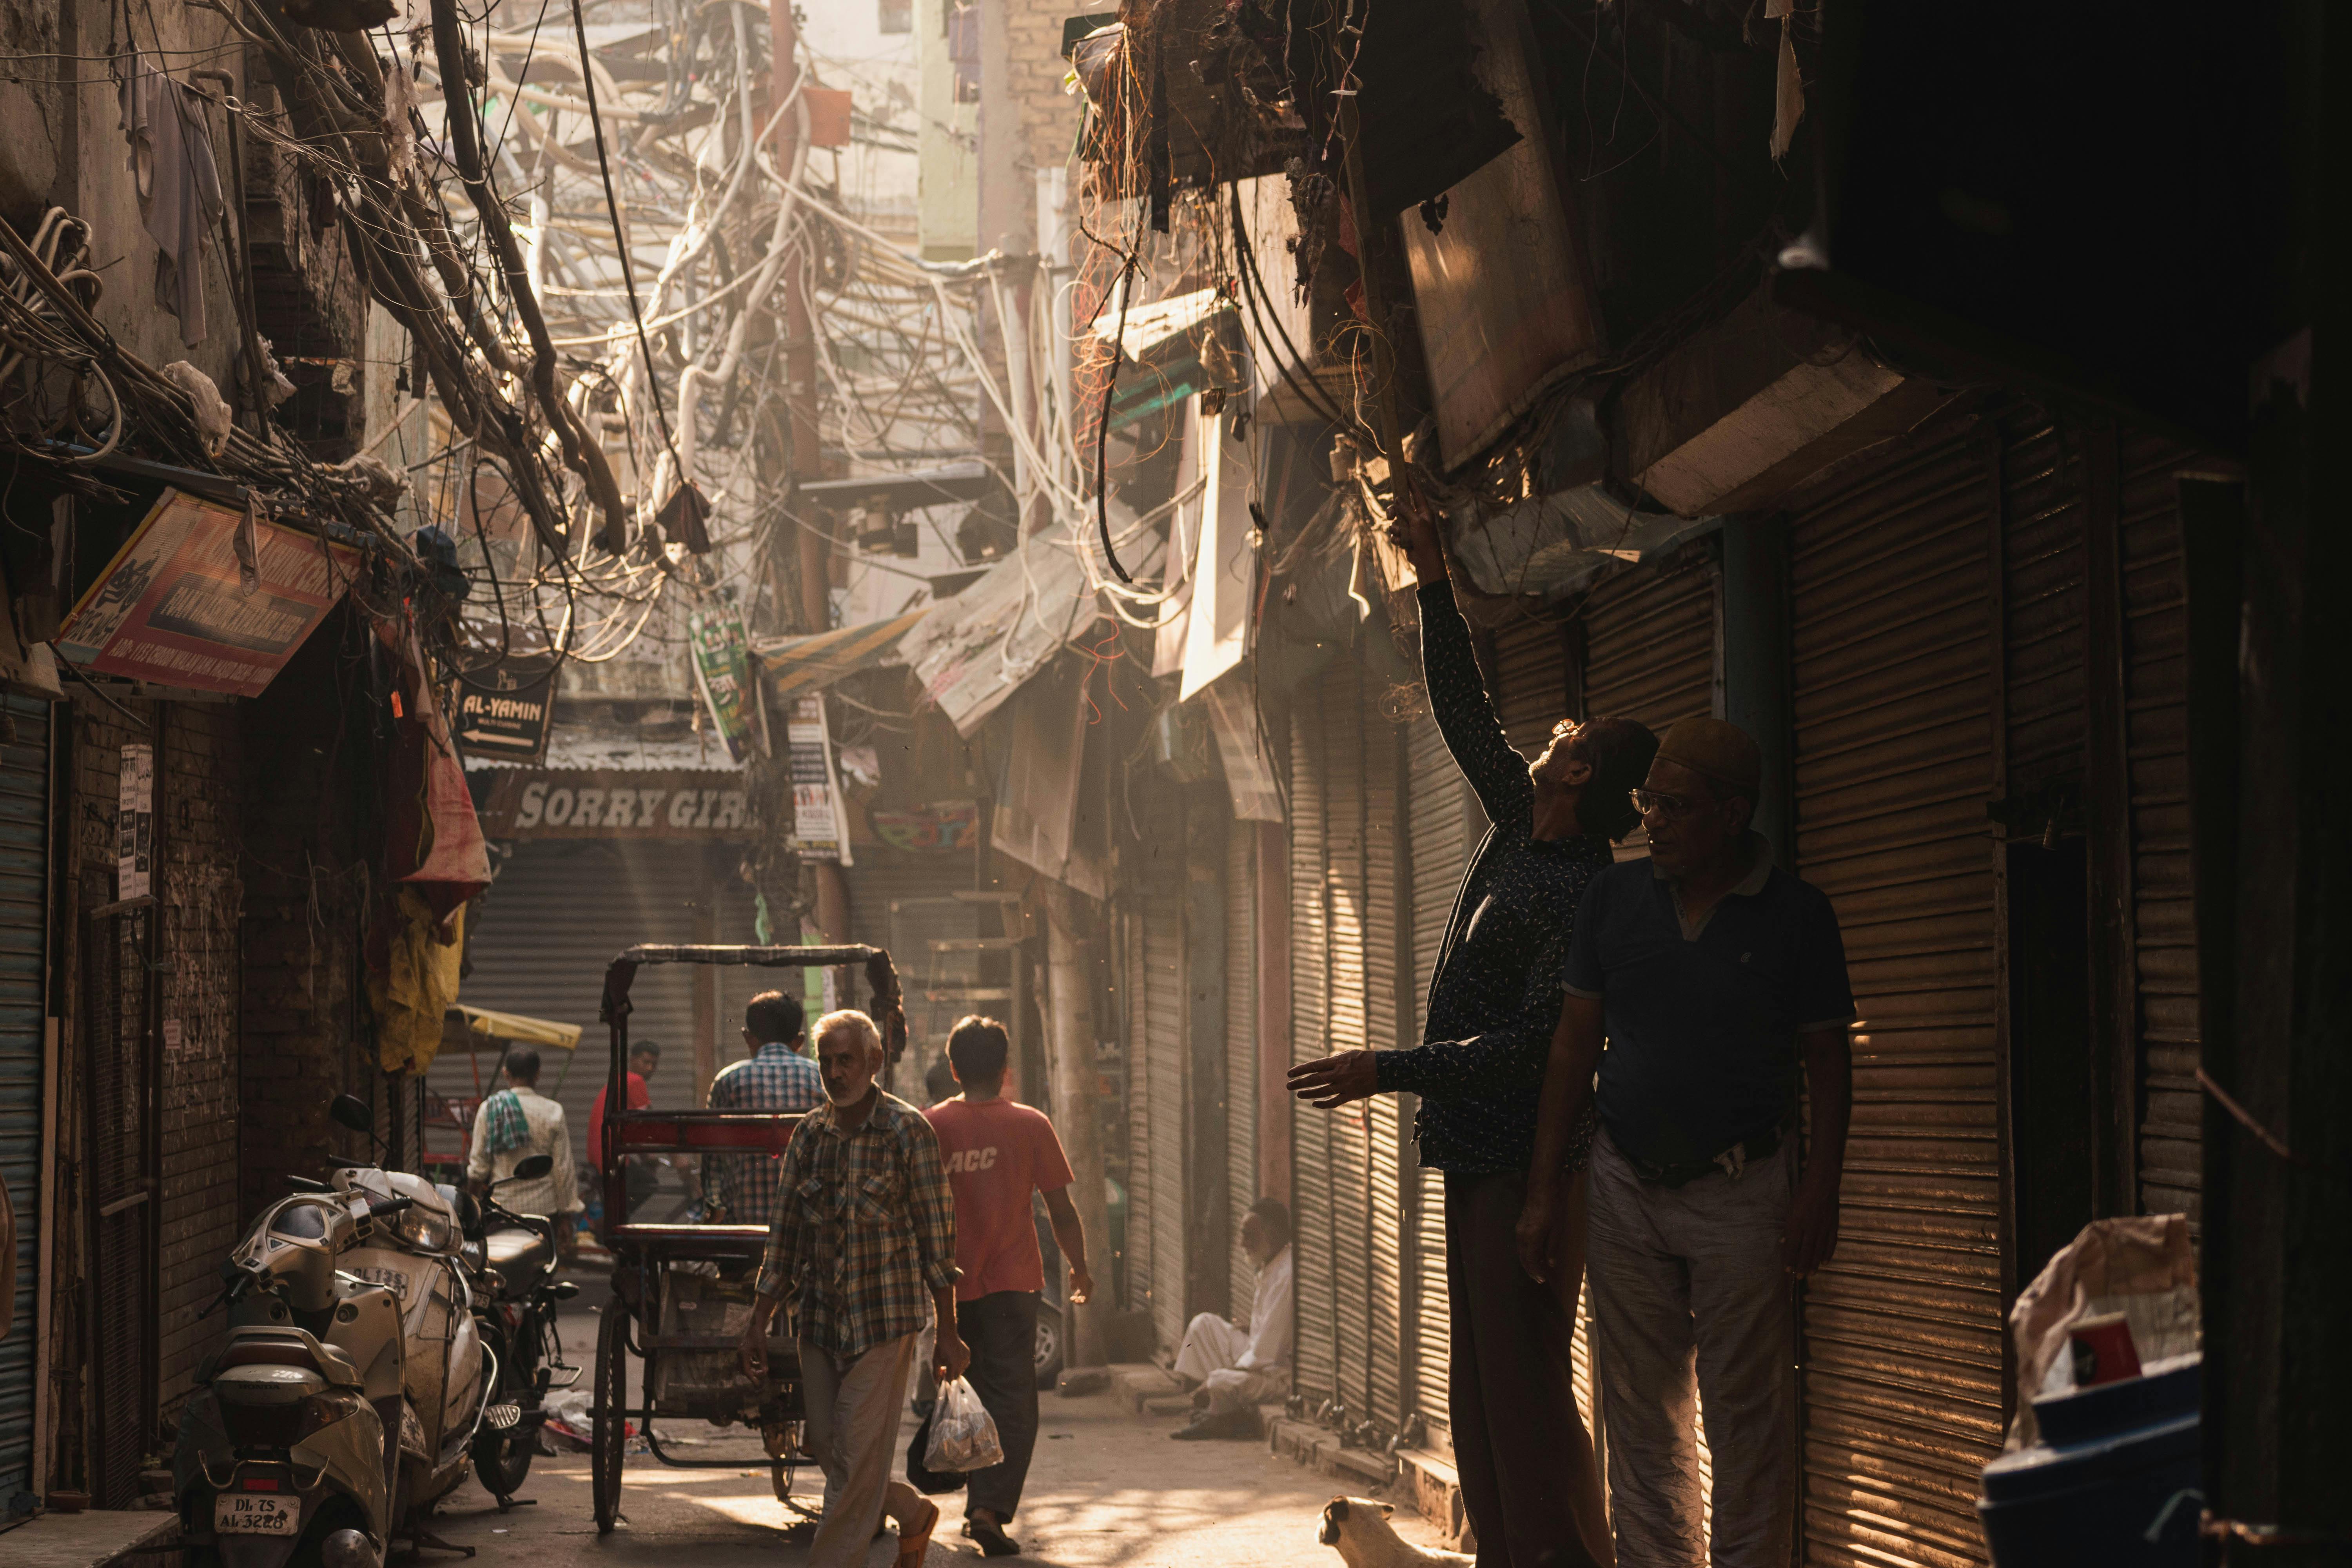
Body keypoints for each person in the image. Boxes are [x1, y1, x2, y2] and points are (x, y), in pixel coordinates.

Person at [1287, 480, 1655, 1568]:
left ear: (1579, 771)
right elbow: (1461, 708)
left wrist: (1388, 1069)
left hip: (1524, 1166)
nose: (1550, 735)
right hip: (1476, 1157)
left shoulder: (1580, 887)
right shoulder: (1519, 827)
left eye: (1570, 735)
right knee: (1484, 1388)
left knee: (1526, 1391)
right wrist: (1434, 578)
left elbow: (1540, 1045)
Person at [1515, 717, 1854, 1568]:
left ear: (1733, 814)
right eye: (1647, 802)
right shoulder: (1613, 900)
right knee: (1639, 1416)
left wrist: (1819, 1187)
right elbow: (1571, 1043)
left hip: (1744, 1189)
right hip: (1624, 1181)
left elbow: (1828, 1059)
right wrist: (1545, 1190)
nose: (1653, 821)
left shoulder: (1799, 916)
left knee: (1747, 1415)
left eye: (1675, 806)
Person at [737, 1009, 966, 1568]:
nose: (835, 1073)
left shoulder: (907, 1131)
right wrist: (757, 1320)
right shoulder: (809, 1136)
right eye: (827, 1061)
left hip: (884, 1324)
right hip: (818, 1323)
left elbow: (938, 1243)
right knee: (827, 1447)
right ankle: (909, 1512)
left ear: (874, 1062)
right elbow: (785, 1235)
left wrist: (949, 1333)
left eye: (846, 1061)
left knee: (856, 1460)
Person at [922, 1015, 1096, 1557]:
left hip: (946, 1289)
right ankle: (987, 1509)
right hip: (1014, 1288)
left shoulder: (930, 1127)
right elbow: (1061, 1211)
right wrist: (1080, 1267)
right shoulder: (1030, 1124)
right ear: (1005, 1070)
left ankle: (965, 1495)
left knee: (958, 1389)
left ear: (952, 1068)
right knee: (1013, 1402)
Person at [1168, 1198, 1294, 1441]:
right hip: (1259, 1361)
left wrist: (1224, 1370)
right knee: (1203, 1325)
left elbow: (1266, 1353)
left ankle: (1221, 1416)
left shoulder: (1287, 1275)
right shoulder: (1272, 1266)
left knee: (1220, 1380)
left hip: (1277, 1376)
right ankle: (1219, 1409)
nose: (1242, 1244)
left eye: (1250, 1236)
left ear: (1274, 1234)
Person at [703, 991, 826, 1226]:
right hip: (807, 1222)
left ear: (748, 1038)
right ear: (799, 1042)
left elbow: (713, 1162)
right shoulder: (820, 1077)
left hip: (743, 1221)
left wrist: (714, 1206)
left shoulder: (728, 1081)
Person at [466, 1046, 581, 1257]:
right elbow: (563, 1170)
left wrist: (469, 1212)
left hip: (502, 1212)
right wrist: (567, 1216)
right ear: (538, 1075)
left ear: (506, 1073)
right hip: (543, 1215)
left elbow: (478, 1170)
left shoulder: (490, 1109)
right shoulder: (553, 1111)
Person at [588, 1038, 661, 1223]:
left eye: (654, 1064)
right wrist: (651, 1157)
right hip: (612, 1155)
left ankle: (611, 1221)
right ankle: (608, 1222)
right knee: (648, 1184)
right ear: (633, 1060)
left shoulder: (620, 1080)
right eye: (646, 1062)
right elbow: (646, 1126)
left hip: (602, 1153)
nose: (650, 1068)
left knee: (623, 1201)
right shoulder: (635, 1081)